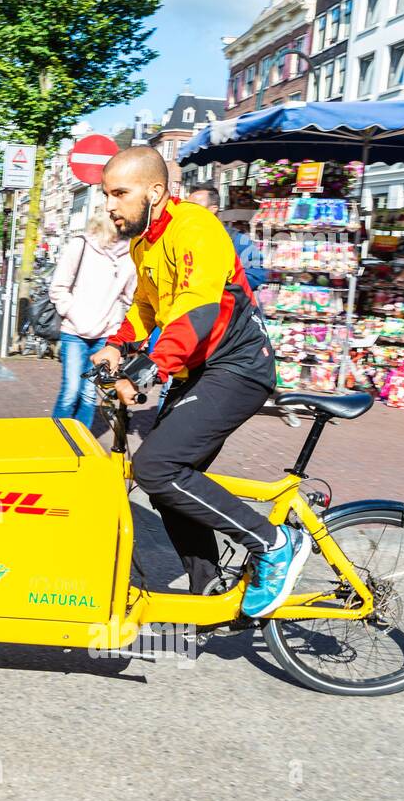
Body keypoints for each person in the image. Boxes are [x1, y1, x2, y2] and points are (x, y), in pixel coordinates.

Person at [91, 147, 308, 617]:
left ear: (155, 191)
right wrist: (117, 344)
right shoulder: (143, 242)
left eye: (119, 194)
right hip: (199, 369)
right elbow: (148, 308)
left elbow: (197, 310)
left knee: (156, 467)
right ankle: (209, 596)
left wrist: (150, 370)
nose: (110, 205)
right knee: (167, 485)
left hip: (238, 366)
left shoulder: (197, 229)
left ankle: (273, 543)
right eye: (106, 195)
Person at [49, 211, 136, 432]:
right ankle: (55, 439)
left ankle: (81, 444)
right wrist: (73, 312)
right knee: (70, 391)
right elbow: (58, 287)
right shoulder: (81, 245)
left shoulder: (131, 255)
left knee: (88, 393)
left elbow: (130, 296)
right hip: (74, 332)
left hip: (106, 335)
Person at [186, 184, 267, 295]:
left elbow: (257, 273)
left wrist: (224, 287)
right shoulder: (183, 238)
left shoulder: (236, 240)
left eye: (194, 207)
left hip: (225, 308)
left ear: (213, 209)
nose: (187, 211)